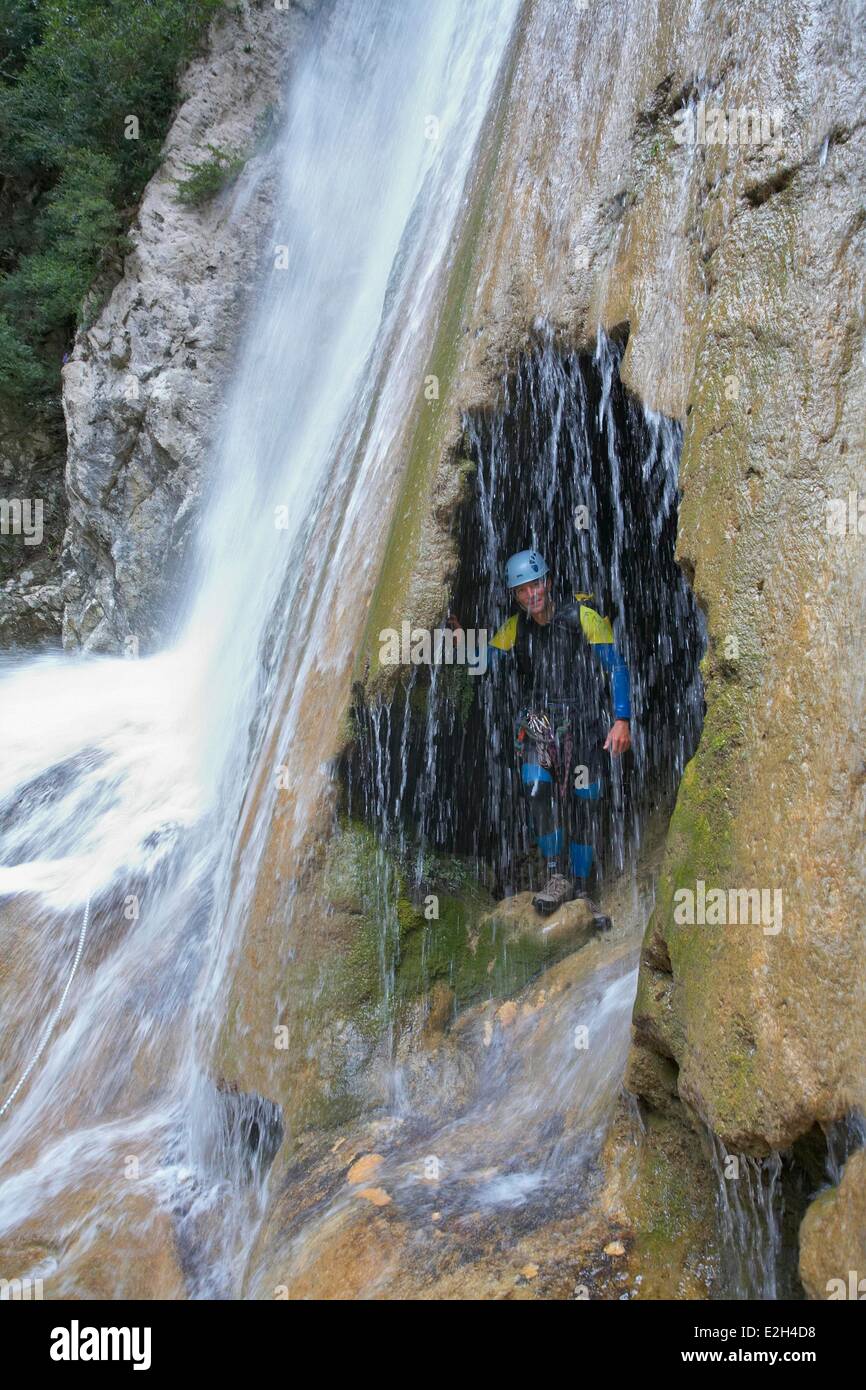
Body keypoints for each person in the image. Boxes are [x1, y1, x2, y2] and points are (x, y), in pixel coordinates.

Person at [459, 548, 632, 923]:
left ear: (548, 582)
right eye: (522, 590)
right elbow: (485, 660)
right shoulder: (513, 630)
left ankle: (583, 889)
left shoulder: (582, 618)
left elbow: (616, 667)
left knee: (584, 800)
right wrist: (458, 640)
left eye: (536, 584)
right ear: (516, 596)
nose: (531, 594)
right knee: (537, 789)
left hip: (583, 723)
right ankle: (556, 876)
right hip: (539, 726)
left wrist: (622, 720)